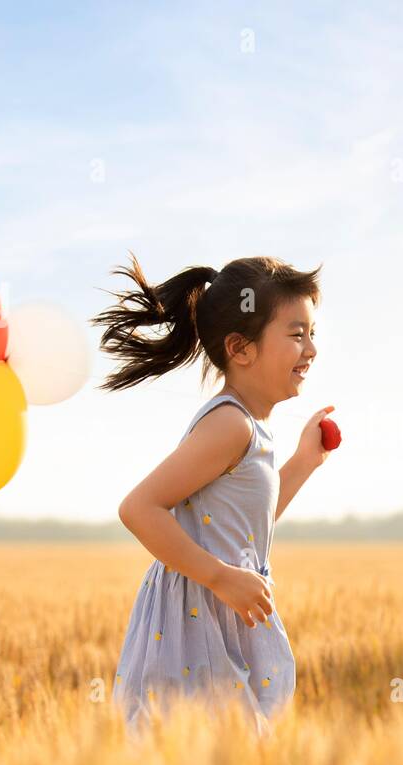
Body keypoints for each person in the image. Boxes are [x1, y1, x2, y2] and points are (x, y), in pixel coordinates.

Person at [91, 252, 335, 739]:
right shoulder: (229, 424)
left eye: (312, 334)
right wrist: (219, 577)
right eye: (295, 334)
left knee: (228, 758)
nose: (311, 349)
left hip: (223, 609)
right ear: (241, 349)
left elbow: (250, 523)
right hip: (197, 617)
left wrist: (305, 460)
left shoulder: (253, 427)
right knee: (206, 750)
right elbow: (139, 508)